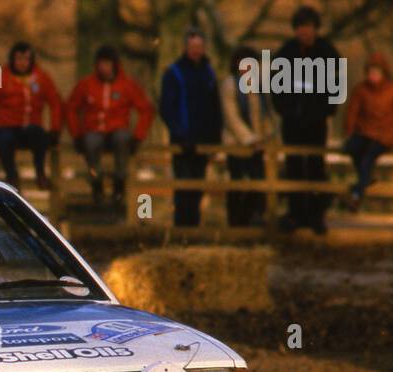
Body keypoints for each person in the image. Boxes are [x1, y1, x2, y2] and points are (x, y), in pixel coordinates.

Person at [272, 5, 341, 234]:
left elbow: (335, 85)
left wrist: (326, 110)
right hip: (292, 120)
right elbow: (276, 86)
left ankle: (316, 215)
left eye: (309, 27)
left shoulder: (327, 52)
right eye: (301, 27)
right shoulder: (285, 53)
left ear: (316, 28)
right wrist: (285, 109)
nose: (305, 32)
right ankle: (295, 213)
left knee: (315, 166)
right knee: (293, 166)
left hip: (316, 120)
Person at [65, 44, 154, 205]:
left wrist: (138, 136)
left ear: (115, 65)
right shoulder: (86, 84)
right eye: (101, 64)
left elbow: (146, 110)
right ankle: (96, 181)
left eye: (108, 63)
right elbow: (71, 108)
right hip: (94, 130)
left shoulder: (127, 85)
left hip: (117, 130)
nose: (104, 68)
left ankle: (119, 182)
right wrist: (77, 135)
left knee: (122, 139)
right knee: (91, 143)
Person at [0, 41, 63, 190]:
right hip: (6, 126)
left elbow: (55, 103)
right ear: (12, 60)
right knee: (3, 140)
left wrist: (55, 129)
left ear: (31, 61)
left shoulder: (41, 77)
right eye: (19, 59)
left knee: (40, 136)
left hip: (31, 126)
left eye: (26, 59)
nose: (22, 63)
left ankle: (40, 174)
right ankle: (12, 175)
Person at [159, 29, 222, 227]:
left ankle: (194, 227)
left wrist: (215, 139)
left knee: (198, 185)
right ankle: (182, 229)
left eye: (199, 47)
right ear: (186, 48)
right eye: (192, 46)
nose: (196, 51)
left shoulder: (209, 73)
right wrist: (179, 133)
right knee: (184, 184)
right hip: (182, 140)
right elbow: (167, 108)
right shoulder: (174, 73)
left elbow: (215, 108)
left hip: (203, 140)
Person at [343, 53, 393, 211]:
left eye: (377, 72)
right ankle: (365, 180)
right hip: (364, 132)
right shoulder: (360, 90)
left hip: (385, 136)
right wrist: (348, 133)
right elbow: (351, 113)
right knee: (353, 148)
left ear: (384, 73)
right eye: (370, 72)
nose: (373, 75)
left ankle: (355, 195)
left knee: (368, 157)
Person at [222, 44, 272, 227]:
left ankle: (254, 218)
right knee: (238, 183)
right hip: (237, 145)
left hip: (257, 146)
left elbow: (263, 115)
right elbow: (231, 116)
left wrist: (266, 136)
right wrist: (250, 138)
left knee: (258, 182)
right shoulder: (230, 84)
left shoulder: (259, 87)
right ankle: (236, 223)